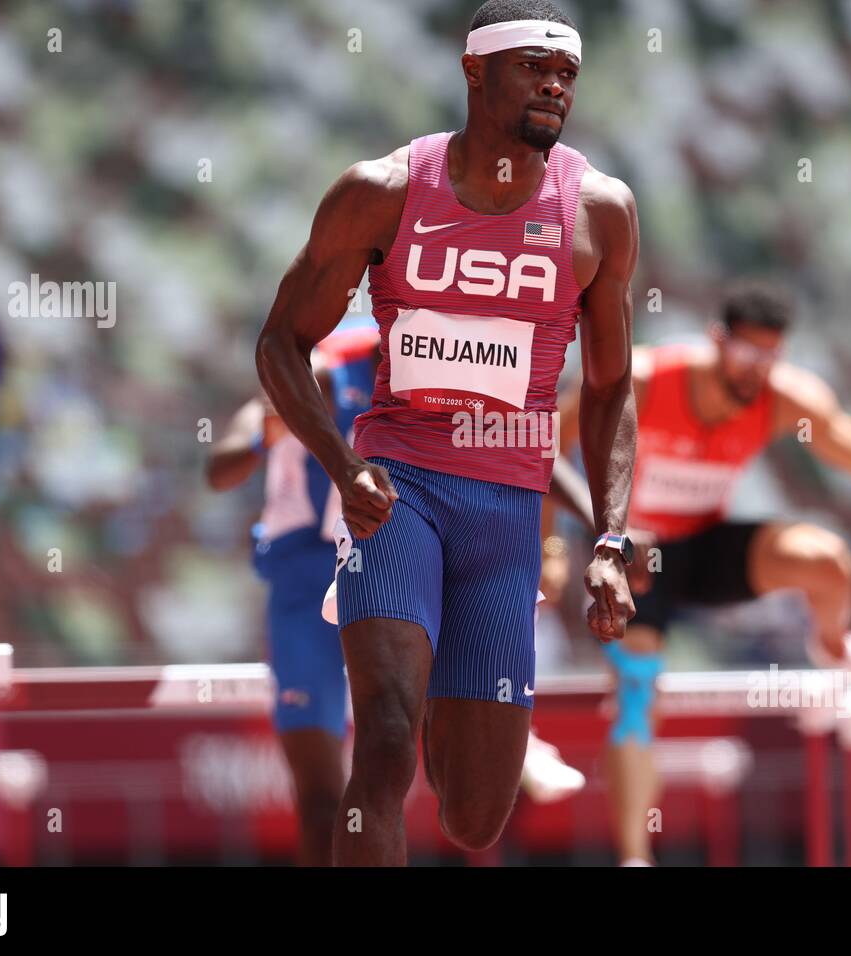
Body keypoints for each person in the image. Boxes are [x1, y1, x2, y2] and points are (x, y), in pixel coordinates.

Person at [255, 0, 639, 865]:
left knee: (473, 815)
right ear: (474, 72)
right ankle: (405, 678)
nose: (554, 87)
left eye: (567, 74)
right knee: (384, 740)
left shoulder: (600, 213)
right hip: (400, 492)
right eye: (533, 69)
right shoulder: (383, 192)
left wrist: (611, 535)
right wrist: (343, 463)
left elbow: (613, 386)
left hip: (507, 513)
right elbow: (281, 341)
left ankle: (439, 682)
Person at [552, 281, 851, 866]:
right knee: (636, 700)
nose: (756, 371)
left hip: (708, 542)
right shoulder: (647, 382)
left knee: (829, 561)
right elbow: (544, 445)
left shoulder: (786, 399)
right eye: (746, 355)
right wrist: (562, 544)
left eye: (770, 358)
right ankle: (636, 858)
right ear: (717, 341)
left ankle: (836, 644)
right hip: (635, 557)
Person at [206, 326, 378, 865]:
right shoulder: (322, 372)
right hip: (306, 583)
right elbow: (220, 468)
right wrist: (273, 426)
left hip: (385, 570)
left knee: (384, 786)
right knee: (324, 799)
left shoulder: (442, 378)